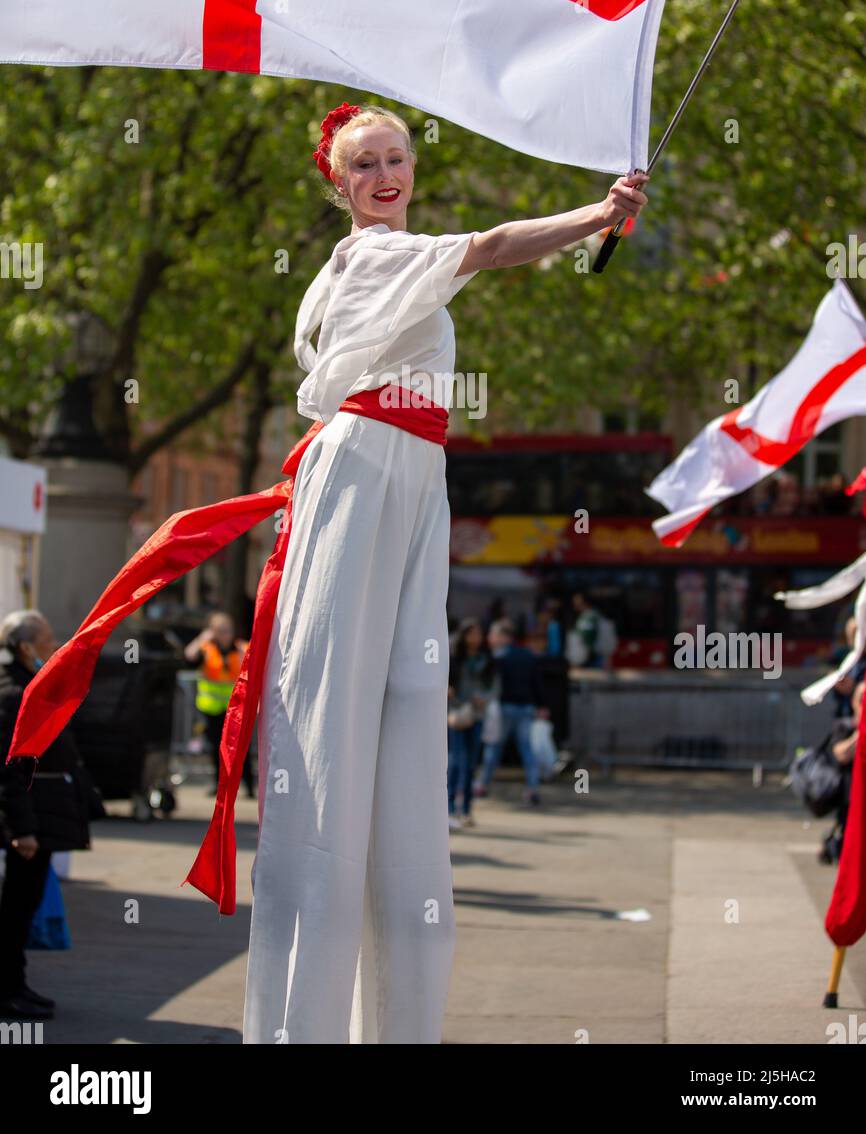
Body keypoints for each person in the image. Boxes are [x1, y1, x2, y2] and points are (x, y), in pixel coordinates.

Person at [7, 101, 647, 1045]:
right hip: (368, 468)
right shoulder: (373, 255)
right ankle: (311, 1023)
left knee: (392, 712)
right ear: (337, 183)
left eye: (397, 157)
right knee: (341, 720)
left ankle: (369, 1018)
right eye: (366, 163)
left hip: (403, 475)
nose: (388, 172)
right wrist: (595, 216)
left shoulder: (381, 260)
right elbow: (496, 245)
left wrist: (598, 217)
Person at [0, 610, 91, 1021]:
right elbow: (10, 770)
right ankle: (7, 990)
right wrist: (22, 830)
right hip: (28, 823)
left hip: (41, 816)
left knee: (23, 907)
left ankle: (15, 985)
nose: (53, 647)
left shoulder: (29, 684)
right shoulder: (11, 693)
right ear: (24, 647)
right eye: (48, 639)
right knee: (15, 911)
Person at [476, 618, 550, 806]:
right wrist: (542, 705)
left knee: (494, 747)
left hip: (504, 707)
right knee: (527, 749)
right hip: (526, 707)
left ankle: (482, 784)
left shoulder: (498, 657)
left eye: (493, 634)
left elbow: (490, 684)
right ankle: (532, 787)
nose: (490, 638)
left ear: (504, 637)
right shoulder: (528, 655)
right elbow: (538, 684)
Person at [184, 613, 255, 798]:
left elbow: (253, 663)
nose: (224, 635)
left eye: (227, 630)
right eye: (219, 631)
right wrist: (201, 638)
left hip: (235, 708)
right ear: (212, 632)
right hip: (212, 708)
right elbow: (189, 656)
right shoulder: (206, 648)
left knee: (239, 748)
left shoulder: (241, 648)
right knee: (217, 748)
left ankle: (248, 786)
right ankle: (219, 786)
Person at [446, 619, 495, 829]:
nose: (475, 638)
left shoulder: (487, 660)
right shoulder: (454, 658)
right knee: (458, 761)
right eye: (471, 634)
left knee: (471, 763)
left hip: (477, 714)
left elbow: (494, 686)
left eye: (478, 634)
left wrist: (484, 698)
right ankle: (449, 808)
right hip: (457, 713)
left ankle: (466, 808)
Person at [819, 681, 863, 865]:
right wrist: (860, 735)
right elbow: (841, 754)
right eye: (861, 702)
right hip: (848, 796)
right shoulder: (845, 727)